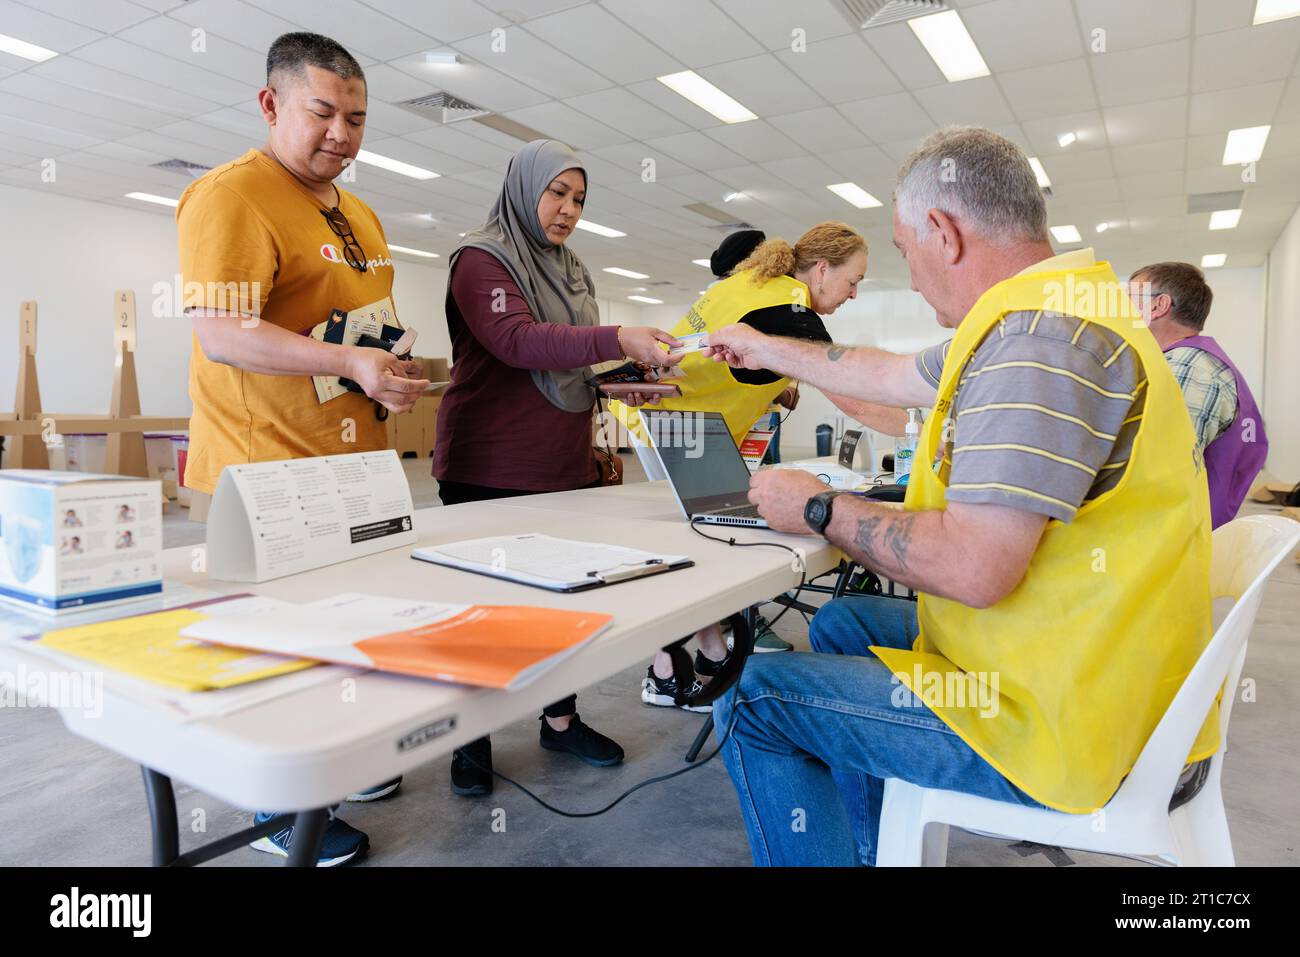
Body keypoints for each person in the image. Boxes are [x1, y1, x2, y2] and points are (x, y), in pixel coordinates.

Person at [704, 126, 1216, 866]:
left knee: (753, 696)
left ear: (942, 233)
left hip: (1069, 725)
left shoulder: (1039, 340)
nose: (910, 276)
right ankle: (885, 851)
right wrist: (762, 346)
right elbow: (888, 374)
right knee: (845, 617)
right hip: (1088, 664)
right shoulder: (1051, 310)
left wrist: (817, 507)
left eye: (907, 251)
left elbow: (977, 568)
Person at [178, 31, 429, 866]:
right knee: (273, 652)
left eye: (357, 118)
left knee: (348, 636)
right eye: (322, 112)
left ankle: (333, 765)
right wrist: (348, 359)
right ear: (271, 104)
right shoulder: (230, 196)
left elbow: (350, 323)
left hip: (351, 463)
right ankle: (275, 805)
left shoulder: (357, 210)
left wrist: (380, 366)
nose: (342, 134)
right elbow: (221, 334)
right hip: (263, 468)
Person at [432, 138, 684, 797]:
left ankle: (561, 718)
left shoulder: (571, 268)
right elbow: (516, 341)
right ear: (525, 188)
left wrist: (617, 380)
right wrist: (617, 337)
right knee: (484, 609)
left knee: (562, 598)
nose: (569, 209)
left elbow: (571, 363)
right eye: (558, 194)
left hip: (561, 460)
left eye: (579, 199)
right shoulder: (481, 258)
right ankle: (471, 740)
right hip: (488, 463)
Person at [1127, 261, 1268, 527]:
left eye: (1129, 299)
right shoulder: (1186, 360)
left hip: (1170, 531)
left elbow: (1159, 469)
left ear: (1158, 306)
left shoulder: (1188, 367)